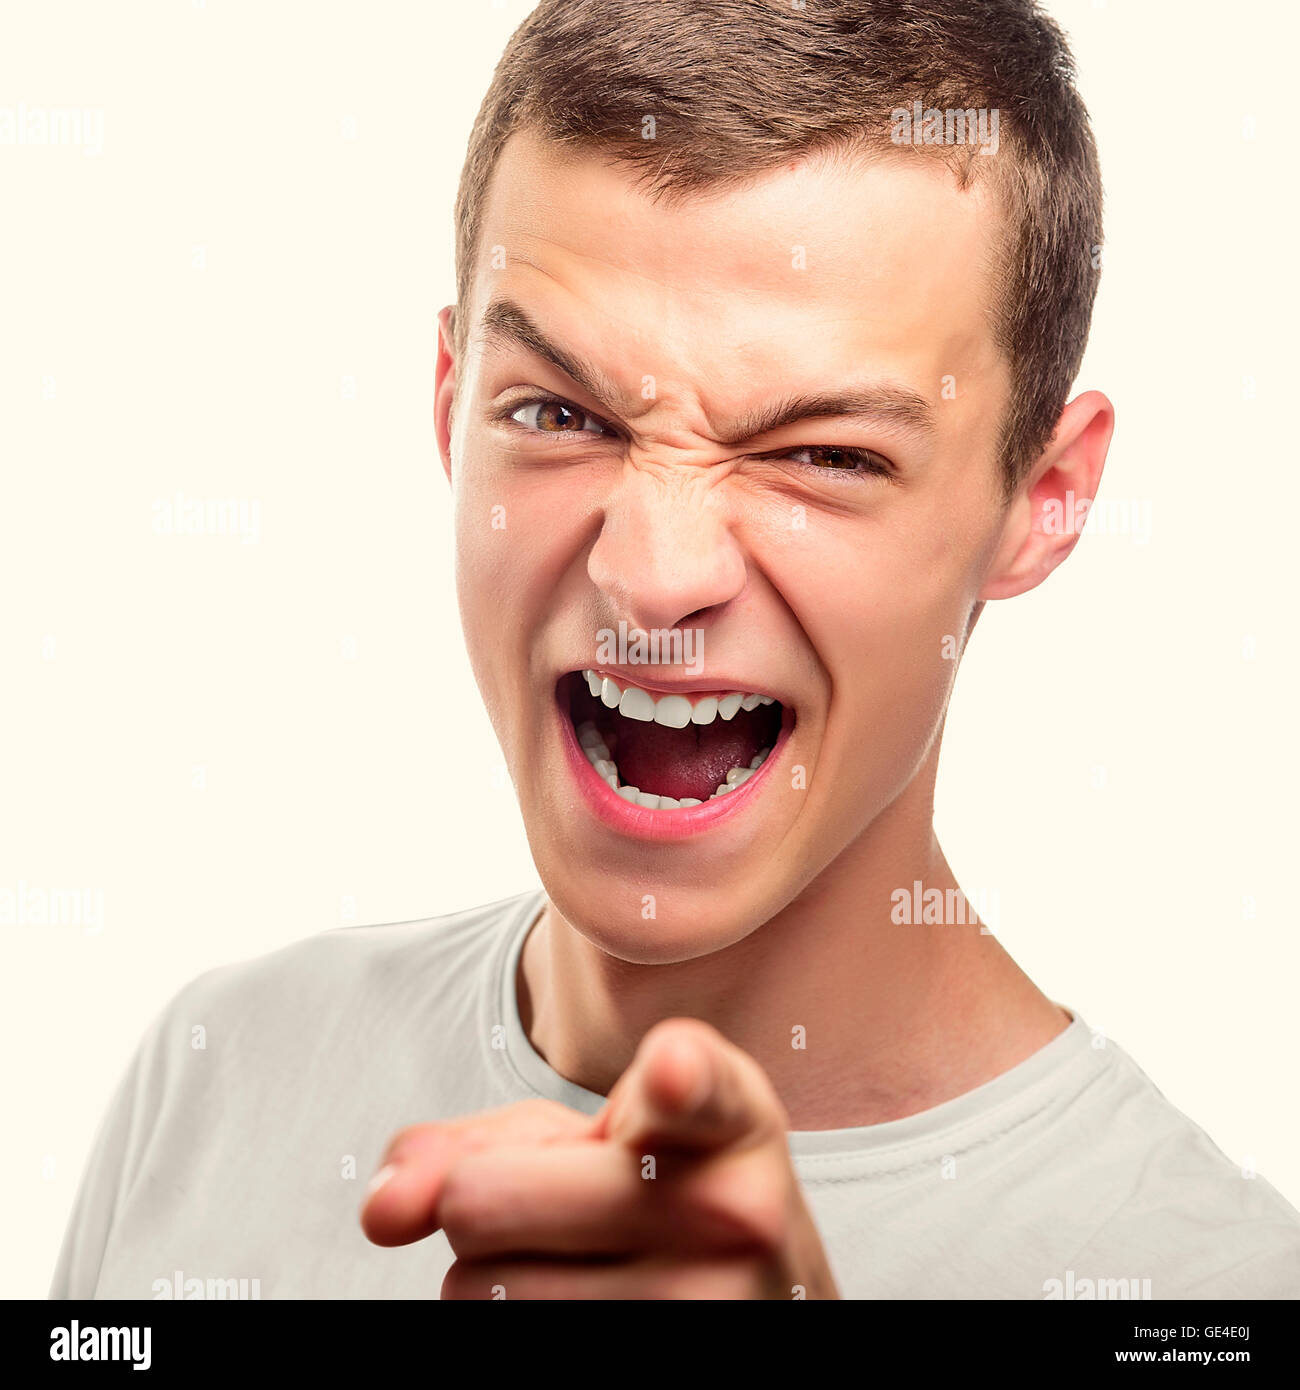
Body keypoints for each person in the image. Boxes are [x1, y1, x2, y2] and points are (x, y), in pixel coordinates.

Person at [52, 0, 1300, 1300]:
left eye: (825, 455)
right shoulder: (218, 1074)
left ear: (1042, 502)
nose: (648, 574)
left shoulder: (1221, 1291)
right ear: (448, 406)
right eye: (556, 411)